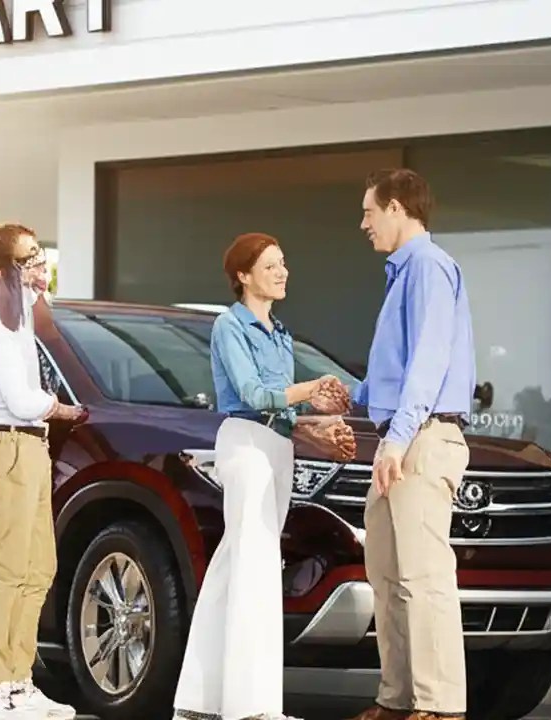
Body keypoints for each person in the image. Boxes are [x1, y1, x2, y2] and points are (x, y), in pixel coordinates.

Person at [172, 232, 356, 720]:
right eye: (271, 265)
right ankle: (253, 709)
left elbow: (285, 408)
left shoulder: (281, 333)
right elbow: (254, 395)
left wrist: (318, 426)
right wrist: (312, 390)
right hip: (246, 445)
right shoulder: (229, 327)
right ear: (243, 275)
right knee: (254, 568)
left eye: (284, 263)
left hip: (276, 446)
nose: (283, 272)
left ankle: (199, 700)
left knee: (235, 566)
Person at [346, 169, 476, 720]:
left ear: (397, 208)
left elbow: (429, 359)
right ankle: (397, 701)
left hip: (419, 439)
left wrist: (396, 440)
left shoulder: (426, 266)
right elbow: (396, 373)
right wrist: (349, 396)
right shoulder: (402, 274)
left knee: (424, 578)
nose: (364, 224)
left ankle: (440, 707)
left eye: (369, 212)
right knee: (388, 574)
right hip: (399, 438)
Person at [0, 223, 86, 720]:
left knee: (39, 568)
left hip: (31, 447)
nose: (38, 263)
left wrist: (38, 288)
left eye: (39, 253)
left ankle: (19, 681)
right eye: (26, 259)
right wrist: (58, 409)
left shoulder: (18, 314)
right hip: (12, 443)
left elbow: (48, 318)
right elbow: (20, 399)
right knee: (10, 568)